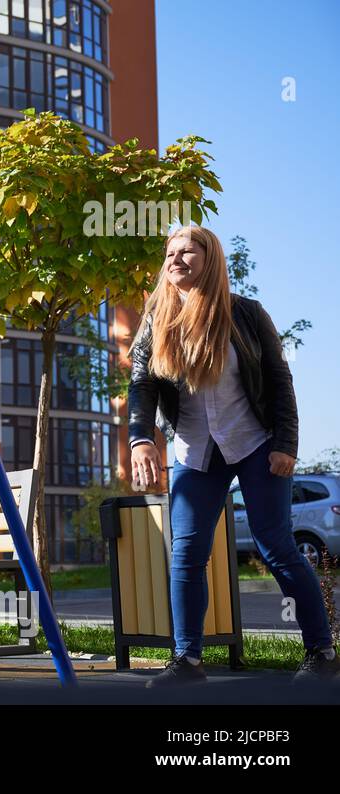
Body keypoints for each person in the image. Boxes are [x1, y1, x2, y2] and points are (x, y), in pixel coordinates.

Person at [129, 226, 337, 687]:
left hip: (254, 442)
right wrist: (140, 438)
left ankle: (321, 652)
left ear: (211, 258)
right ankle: (188, 661)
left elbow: (280, 382)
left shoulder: (245, 313)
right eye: (170, 253)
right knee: (185, 553)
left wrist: (286, 444)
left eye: (187, 251)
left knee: (276, 545)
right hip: (194, 449)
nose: (175, 259)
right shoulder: (156, 318)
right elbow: (142, 383)